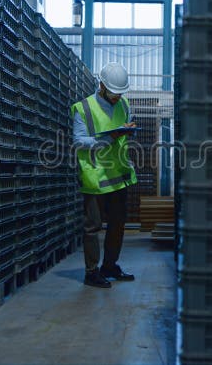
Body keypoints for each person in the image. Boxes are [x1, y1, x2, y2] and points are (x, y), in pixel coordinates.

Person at [71, 62, 138, 288]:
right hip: (96, 176)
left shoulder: (124, 103)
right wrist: (109, 138)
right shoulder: (83, 108)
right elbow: (79, 141)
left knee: (118, 224)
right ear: (101, 86)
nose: (117, 97)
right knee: (93, 226)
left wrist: (127, 129)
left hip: (118, 174)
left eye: (120, 93)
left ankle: (110, 266)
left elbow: (122, 130)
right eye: (113, 93)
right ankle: (92, 273)